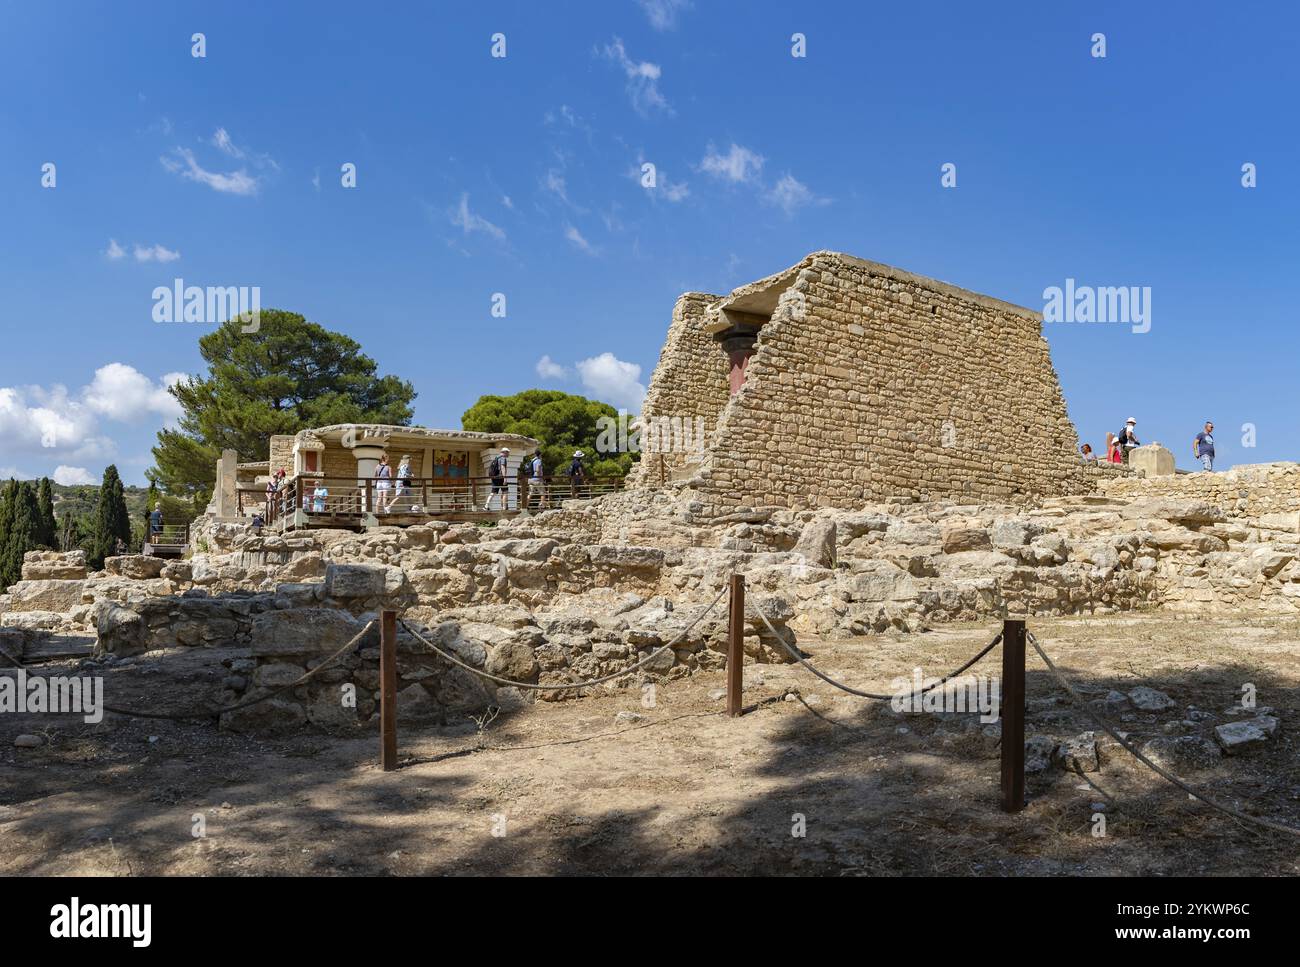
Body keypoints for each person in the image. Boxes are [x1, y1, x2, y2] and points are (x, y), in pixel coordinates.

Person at [484, 447, 510, 511]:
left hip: (495, 477)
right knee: (505, 492)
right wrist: (505, 478)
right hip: (500, 477)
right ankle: (504, 508)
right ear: (504, 452)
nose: (509, 453)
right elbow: (502, 467)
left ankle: (486, 506)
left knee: (493, 492)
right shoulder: (503, 458)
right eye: (508, 452)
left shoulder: (497, 457)